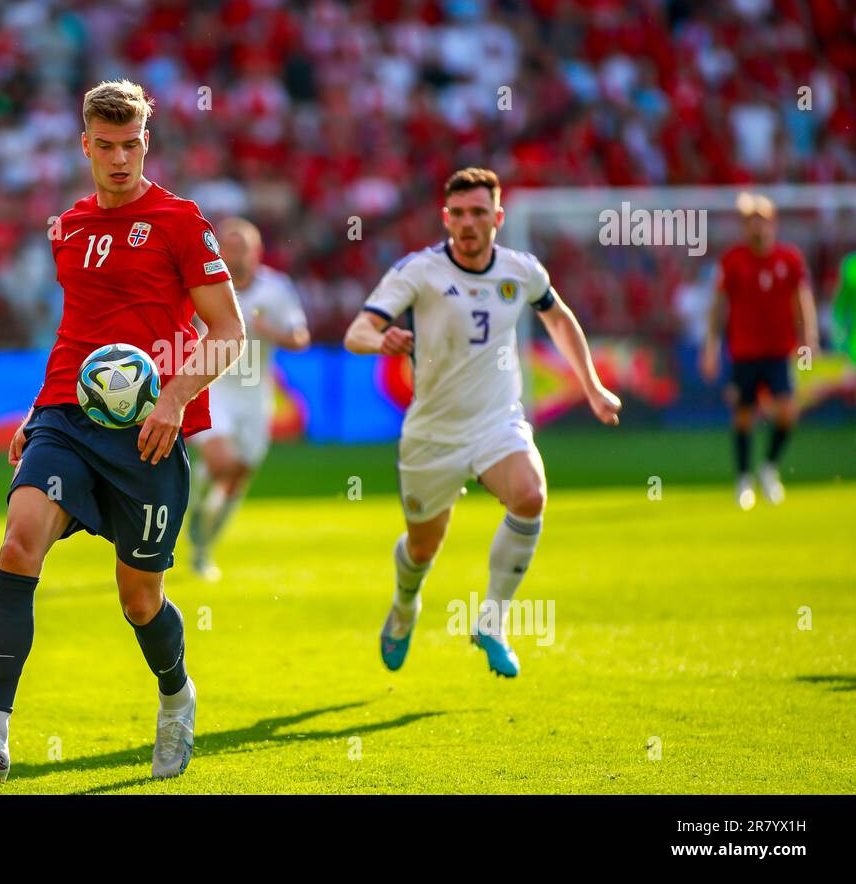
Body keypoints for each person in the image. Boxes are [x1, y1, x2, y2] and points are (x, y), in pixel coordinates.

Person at [0, 80, 245, 783]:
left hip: (148, 436)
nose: (119, 158)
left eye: (131, 144)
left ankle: (175, 696)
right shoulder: (69, 227)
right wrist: (36, 411)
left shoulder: (179, 222)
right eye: (105, 146)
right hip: (66, 424)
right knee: (19, 543)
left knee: (139, 601)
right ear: (85, 145)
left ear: (147, 141)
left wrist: (175, 395)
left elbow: (229, 332)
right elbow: (77, 336)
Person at [343, 167, 621, 678]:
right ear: (446, 218)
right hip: (431, 435)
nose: (468, 223)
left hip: (498, 421)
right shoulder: (419, 271)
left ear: (498, 217)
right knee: (423, 547)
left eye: (478, 213)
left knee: (531, 495)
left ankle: (491, 622)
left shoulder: (522, 270)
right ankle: (405, 607)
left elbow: (558, 318)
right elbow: (358, 330)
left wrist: (592, 385)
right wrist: (378, 341)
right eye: (459, 214)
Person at [188, 217, 310, 580]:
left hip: (255, 395)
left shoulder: (276, 288)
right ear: (219, 250)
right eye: (229, 246)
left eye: (244, 246)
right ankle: (194, 504)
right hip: (213, 387)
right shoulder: (205, 283)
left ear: (257, 252)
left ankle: (203, 548)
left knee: (235, 480)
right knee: (221, 461)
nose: (235, 253)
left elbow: (300, 338)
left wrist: (267, 329)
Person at [700, 193, 819, 509]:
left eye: (763, 221)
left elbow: (801, 303)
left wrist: (809, 340)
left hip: (779, 351)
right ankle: (743, 479)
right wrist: (711, 346)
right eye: (752, 221)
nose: (758, 227)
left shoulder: (790, 260)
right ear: (745, 226)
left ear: (773, 223)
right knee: (743, 416)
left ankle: (768, 468)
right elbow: (718, 308)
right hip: (744, 352)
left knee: (787, 411)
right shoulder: (732, 261)